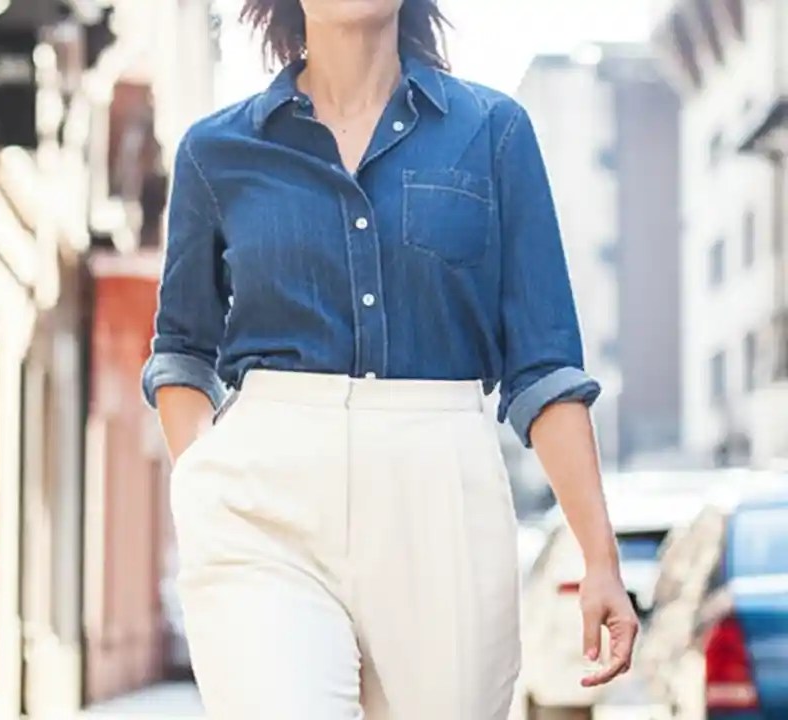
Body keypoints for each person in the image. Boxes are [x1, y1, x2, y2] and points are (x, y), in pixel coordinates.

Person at [140, 1, 638, 717]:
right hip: (263, 501)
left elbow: (544, 366)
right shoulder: (216, 152)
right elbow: (184, 350)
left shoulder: (492, 133)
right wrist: (200, 478)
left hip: (441, 493)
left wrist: (600, 559)